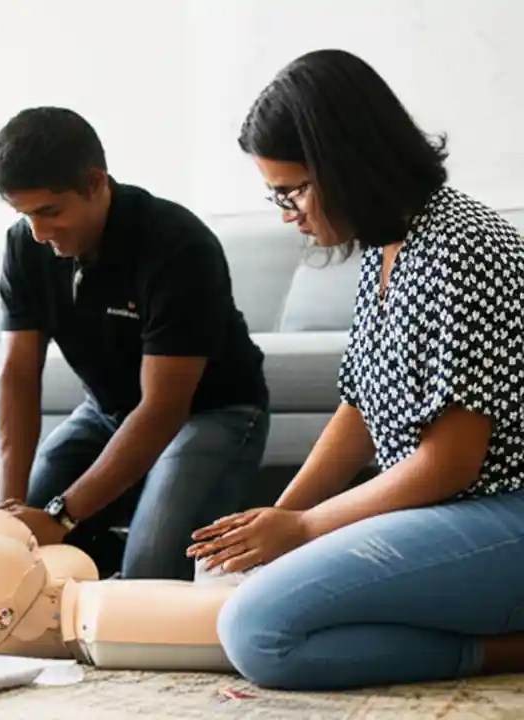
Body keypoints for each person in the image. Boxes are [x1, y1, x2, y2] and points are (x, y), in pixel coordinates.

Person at [188, 49, 524, 691]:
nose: (285, 212)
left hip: (501, 512)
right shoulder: (389, 243)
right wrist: (278, 521)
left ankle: (504, 649)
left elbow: (448, 463)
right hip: (449, 513)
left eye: (291, 191)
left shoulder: (466, 251)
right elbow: (361, 408)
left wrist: (309, 528)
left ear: (344, 166)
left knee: (260, 633)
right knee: (247, 599)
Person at [0, 107, 270, 581]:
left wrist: (60, 516)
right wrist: (8, 513)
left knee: (149, 573)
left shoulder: (178, 245)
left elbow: (163, 408)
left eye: (49, 212)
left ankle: (150, 556)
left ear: (96, 183)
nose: (38, 233)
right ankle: (111, 550)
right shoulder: (25, 244)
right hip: (105, 410)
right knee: (23, 548)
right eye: (24, 215)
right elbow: (17, 374)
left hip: (212, 413)